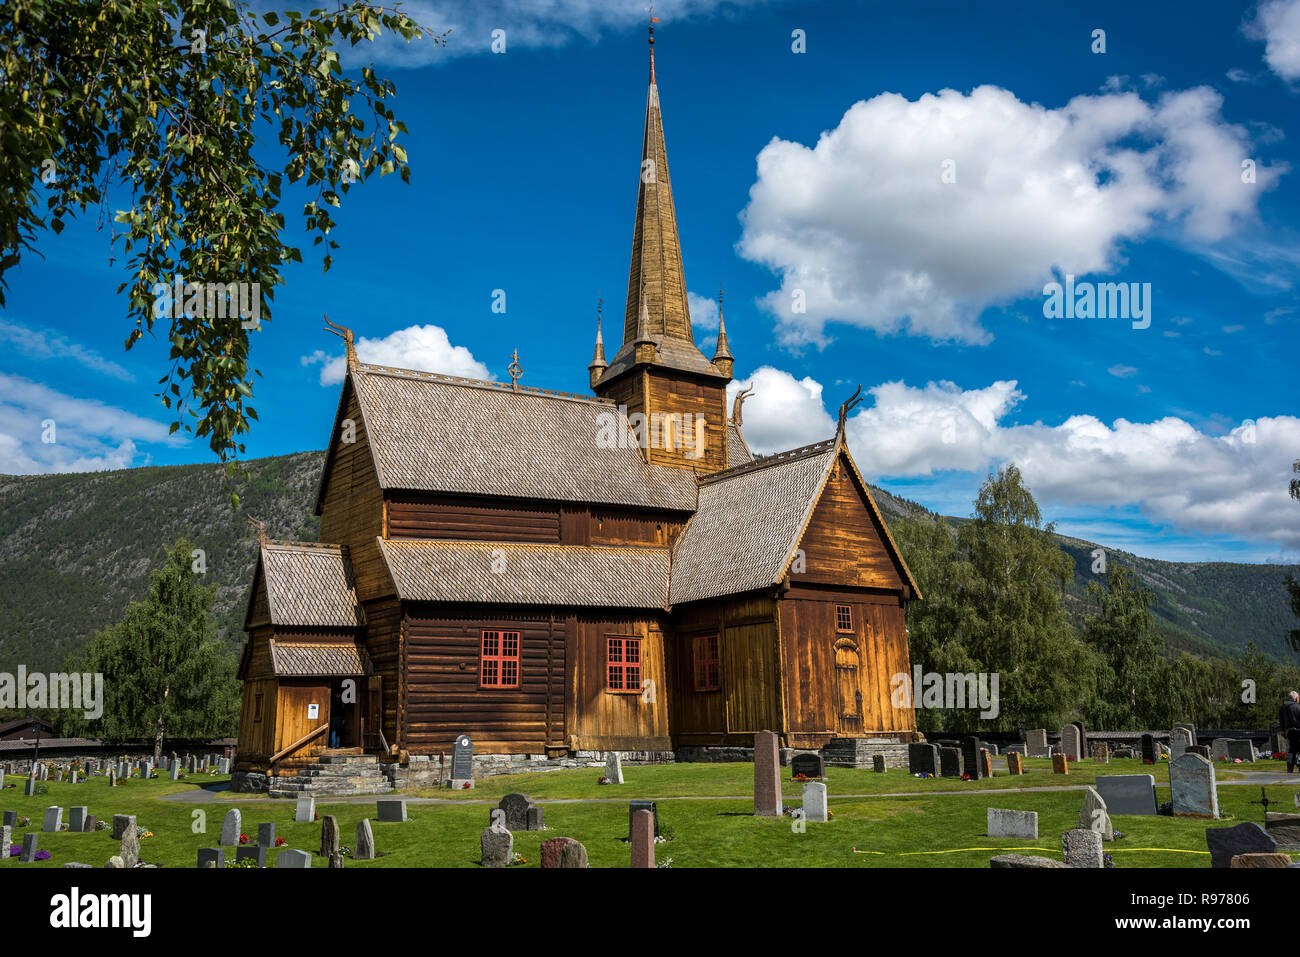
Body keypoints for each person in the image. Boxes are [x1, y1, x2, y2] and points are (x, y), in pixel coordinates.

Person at [1279, 691, 1300, 773]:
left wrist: (1283, 731)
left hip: (1289, 731)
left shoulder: (1282, 707)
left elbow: (1281, 720)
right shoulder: (1297, 707)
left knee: (1292, 750)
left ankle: (1289, 767)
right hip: (1298, 730)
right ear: (1295, 698)